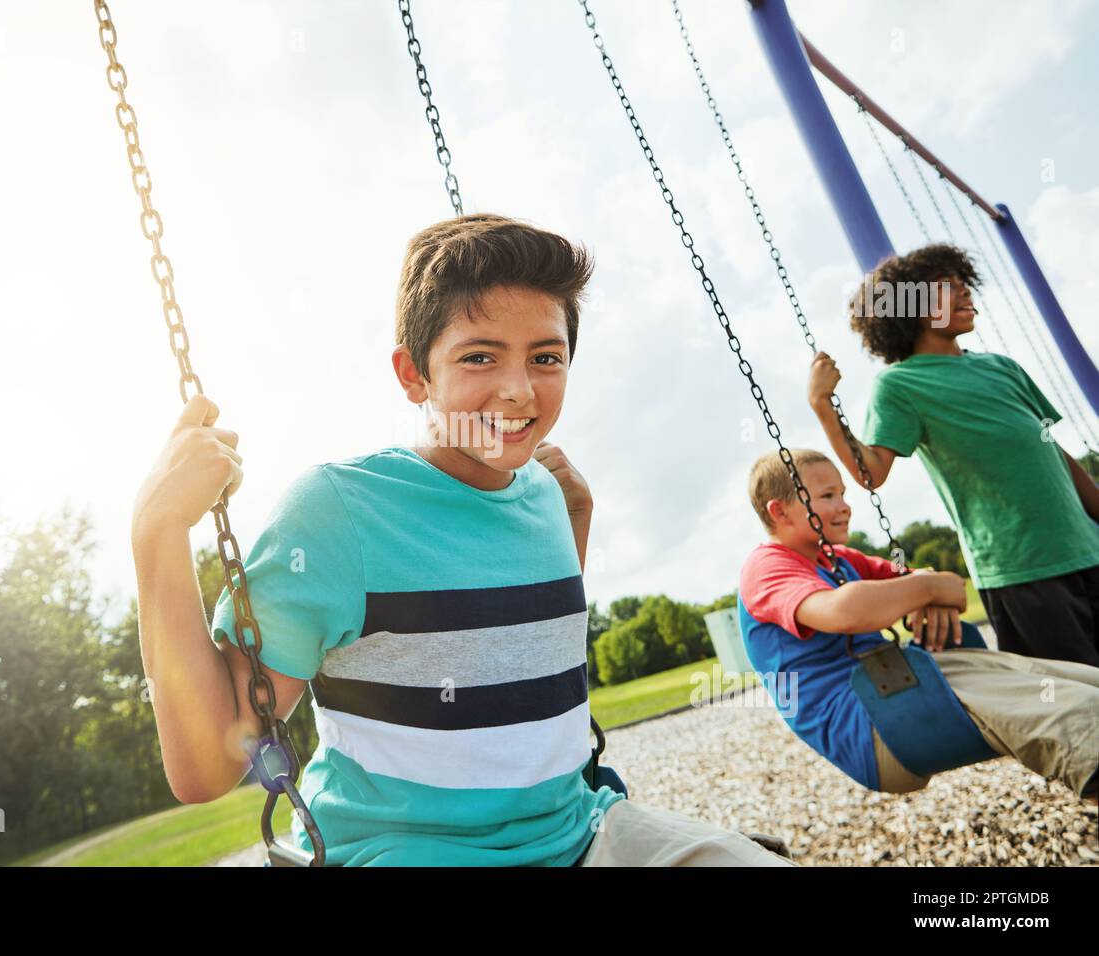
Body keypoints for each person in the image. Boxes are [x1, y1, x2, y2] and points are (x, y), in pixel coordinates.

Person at [130, 213, 792, 866]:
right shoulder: (339, 511)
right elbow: (207, 766)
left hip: (580, 833)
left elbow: (515, 657)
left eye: (546, 357)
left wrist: (576, 521)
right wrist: (156, 531)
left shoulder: (552, 495)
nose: (518, 389)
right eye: (479, 356)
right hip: (403, 850)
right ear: (413, 373)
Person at [738, 448, 1099, 802]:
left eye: (843, 494)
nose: (845, 506)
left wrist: (929, 587)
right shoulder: (766, 568)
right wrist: (925, 589)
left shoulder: (837, 559)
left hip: (903, 683)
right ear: (780, 511)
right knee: (1069, 714)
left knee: (1076, 683)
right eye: (828, 496)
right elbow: (848, 612)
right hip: (868, 722)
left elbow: (950, 587)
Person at [807, 242, 1099, 666]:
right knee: (1078, 705)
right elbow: (871, 473)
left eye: (965, 285)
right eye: (947, 287)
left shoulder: (1003, 368)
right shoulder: (900, 385)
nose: (965, 294)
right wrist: (823, 405)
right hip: (1022, 573)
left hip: (1089, 549)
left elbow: (1055, 454)